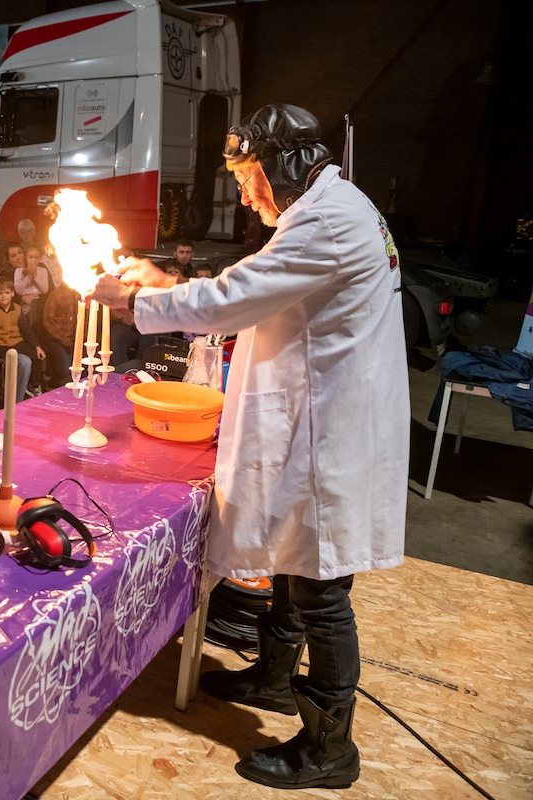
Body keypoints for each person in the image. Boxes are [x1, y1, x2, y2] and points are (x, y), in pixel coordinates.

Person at [90, 103, 408, 791]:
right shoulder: (333, 205)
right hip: (330, 413)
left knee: (321, 588)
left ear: (282, 167)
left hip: (335, 426)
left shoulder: (325, 220)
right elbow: (264, 274)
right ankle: (271, 678)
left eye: (248, 174)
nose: (242, 190)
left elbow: (241, 295)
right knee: (298, 564)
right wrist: (169, 283)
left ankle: (330, 750)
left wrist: (141, 304)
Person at [0, 276, 44, 416]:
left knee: (31, 358)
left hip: (14, 342)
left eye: (6, 292)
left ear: (12, 293)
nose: (3, 296)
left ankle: (24, 395)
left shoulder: (17, 309)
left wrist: (36, 345)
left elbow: (26, 330)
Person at [15, 244, 52, 315]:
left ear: (40, 258)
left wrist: (35, 276)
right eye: (30, 257)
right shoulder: (18, 271)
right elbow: (19, 290)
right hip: (24, 308)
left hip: (39, 306)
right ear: (26, 258)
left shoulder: (43, 270)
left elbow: (45, 290)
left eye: (36, 257)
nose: (33, 260)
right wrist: (28, 276)